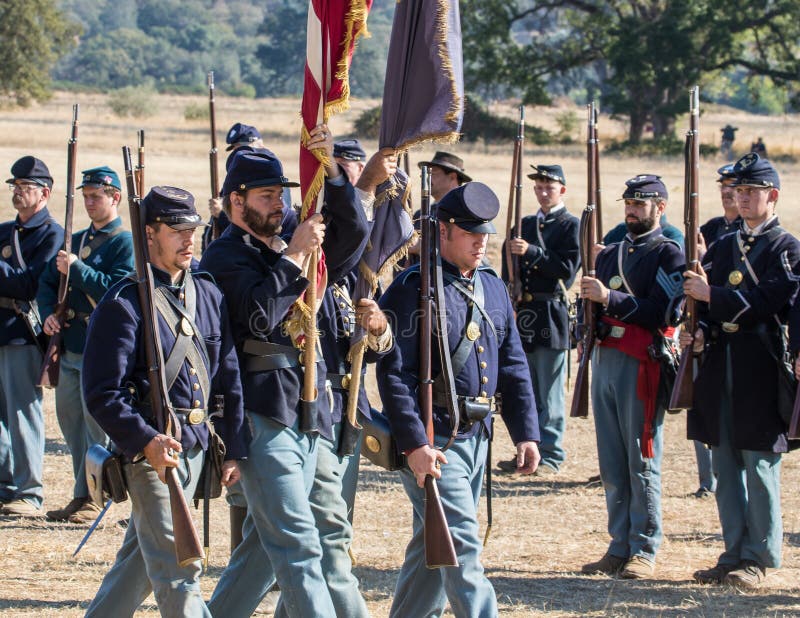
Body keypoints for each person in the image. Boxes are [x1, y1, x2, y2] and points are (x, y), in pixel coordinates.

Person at [203, 127, 370, 617]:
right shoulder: (222, 256)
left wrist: (334, 174)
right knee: (298, 544)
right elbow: (259, 315)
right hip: (261, 411)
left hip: (309, 408)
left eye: (281, 194)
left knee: (306, 536)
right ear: (237, 201)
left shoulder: (286, 243)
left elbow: (354, 235)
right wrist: (296, 254)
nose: (279, 204)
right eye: (267, 195)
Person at [378, 182, 541, 617]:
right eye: (471, 233)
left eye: (486, 232)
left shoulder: (491, 284)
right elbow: (393, 373)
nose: (482, 241)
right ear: (444, 232)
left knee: (433, 551)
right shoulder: (412, 287)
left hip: (477, 436)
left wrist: (526, 433)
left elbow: (513, 363)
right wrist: (415, 444)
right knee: (460, 544)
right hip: (435, 440)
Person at [82, 186, 246, 616]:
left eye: (193, 229)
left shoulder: (207, 293)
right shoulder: (123, 301)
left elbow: (226, 375)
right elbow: (102, 392)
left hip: (197, 446)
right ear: (150, 233)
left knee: (136, 569)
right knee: (179, 572)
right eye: (177, 231)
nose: (190, 240)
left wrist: (233, 447)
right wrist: (147, 440)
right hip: (152, 457)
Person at [684, 153, 799, 590]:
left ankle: (759, 556)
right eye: (740, 191)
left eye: (753, 191)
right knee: (726, 462)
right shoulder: (725, 243)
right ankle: (733, 551)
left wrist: (711, 296)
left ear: (773, 195)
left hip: (760, 362)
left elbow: (771, 300)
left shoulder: (786, 248)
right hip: (721, 362)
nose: (744, 198)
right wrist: (698, 329)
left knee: (759, 463)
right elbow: (697, 298)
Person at [579, 174, 684, 579]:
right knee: (612, 460)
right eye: (628, 203)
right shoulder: (609, 253)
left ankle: (644, 547)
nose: (632, 210)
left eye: (641, 204)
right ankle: (618, 543)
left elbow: (663, 312)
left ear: (660, 208)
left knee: (641, 458)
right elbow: (592, 309)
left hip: (641, 362)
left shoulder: (667, 254)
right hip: (606, 358)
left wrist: (610, 298)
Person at [38, 166, 134, 524]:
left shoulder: (125, 243)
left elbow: (116, 289)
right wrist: (48, 314)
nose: (90, 202)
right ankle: (82, 494)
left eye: (97, 195)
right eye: (87, 195)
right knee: (71, 423)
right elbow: (47, 282)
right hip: (73, 345)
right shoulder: (75, 241)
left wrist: (77, 269)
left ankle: (96, 497)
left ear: (115, 198)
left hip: (102, 347)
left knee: (97, 427)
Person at [500, 164, 580, 475]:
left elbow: (567, 270)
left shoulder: (570, 225)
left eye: (549, 186)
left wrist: (531, 251)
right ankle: (527, 451)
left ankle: (551, 454)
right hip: (526, 314)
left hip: (551, 313)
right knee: (526, 388)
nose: (543, 191)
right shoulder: (525, 224)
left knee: (549, 392)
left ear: (562, 190)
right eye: (539, 186)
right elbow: (509, 267)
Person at [0, 156, 62, 517]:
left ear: (44, 193)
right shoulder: (5, 231)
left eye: (26, 188)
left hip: (22, 330)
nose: (18, 193)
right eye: (15, 187)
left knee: (23, 414)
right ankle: (6, 485)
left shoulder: (51, 233)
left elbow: (30, 285)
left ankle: (29, 490)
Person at [689, 164, 740, 500]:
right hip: (706, 327)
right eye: (723, 185)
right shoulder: (708, 228)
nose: (727, 191)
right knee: (701, 404)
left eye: (734, 185)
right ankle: (708, 478)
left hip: (735, 328)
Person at [202, 122, 293, 251]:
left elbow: (267, 220)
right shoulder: (236, 181)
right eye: (236, 149)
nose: (238, 153)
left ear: (258, 144)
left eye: (241, 148)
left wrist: (222, 215)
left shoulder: (273, 177)